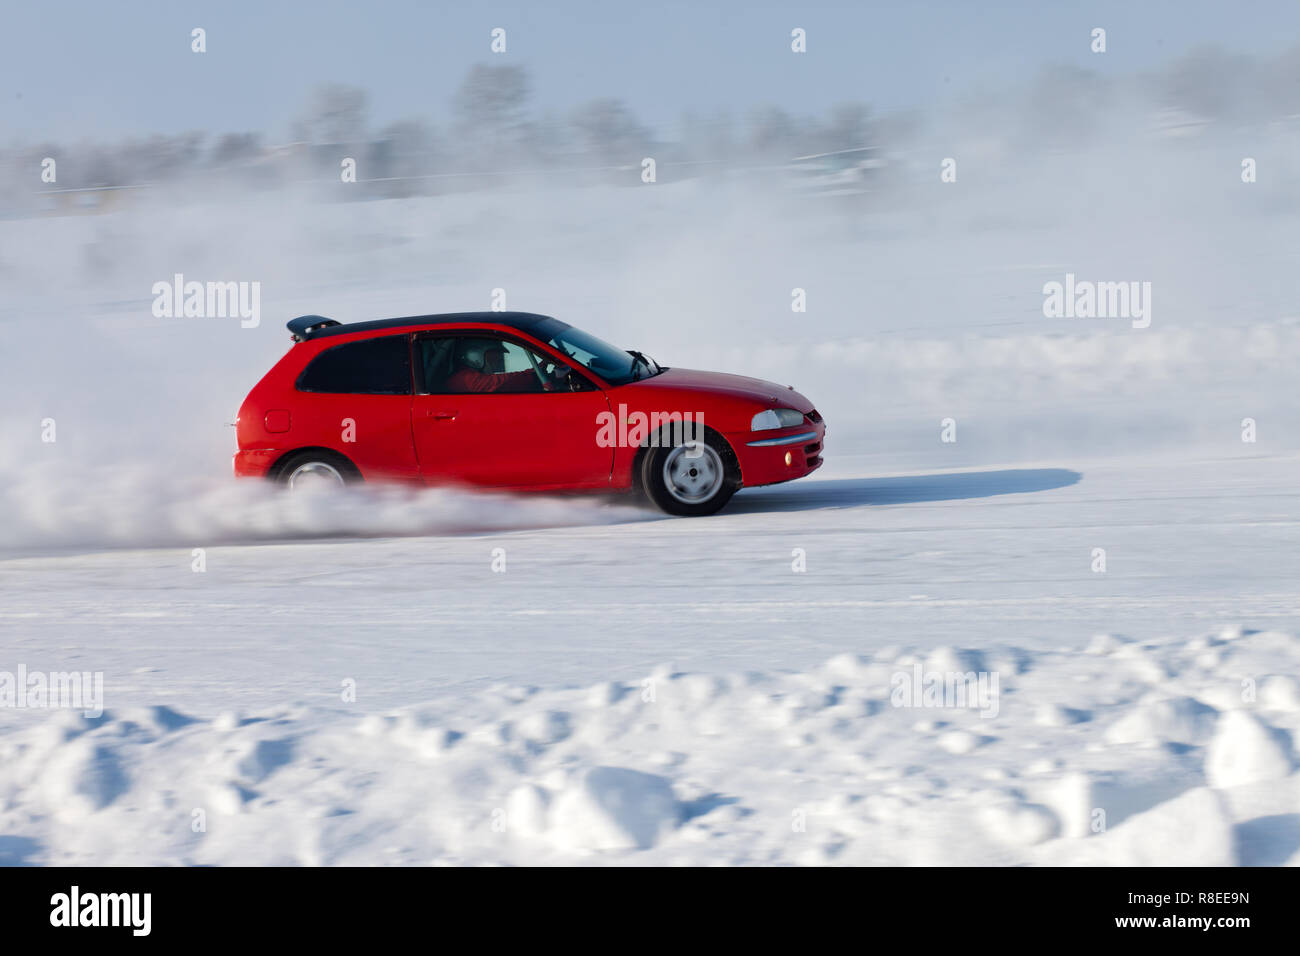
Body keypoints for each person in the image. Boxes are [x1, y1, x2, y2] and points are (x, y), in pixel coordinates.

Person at [444, 339, 542, 394]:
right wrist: (534, 376)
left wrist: (538, 371)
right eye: (494, 354)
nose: (499, 359)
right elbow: (498, 384)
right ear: (475, 355)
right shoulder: (463, 379)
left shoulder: (468, 376)